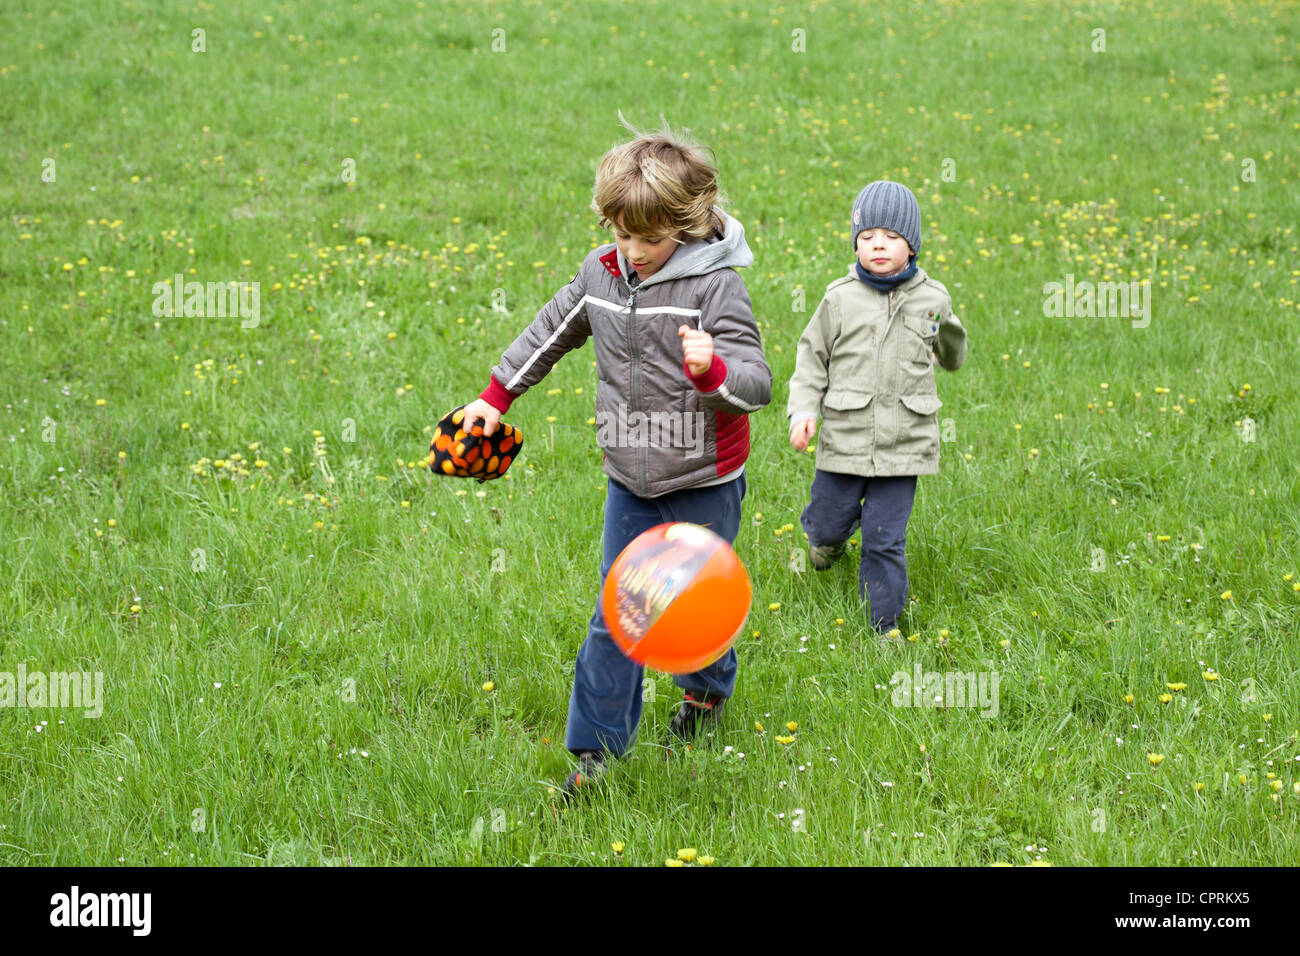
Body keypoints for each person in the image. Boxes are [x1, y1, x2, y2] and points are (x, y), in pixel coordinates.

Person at [458, 124, 772, 793]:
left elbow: (755, 382)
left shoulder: (715, 289)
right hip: (630, 477)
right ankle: (595, 760)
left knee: (693, 607)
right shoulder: (602, 273)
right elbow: (549, 332)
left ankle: (708, 690)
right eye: (622, 235)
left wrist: (712, 368)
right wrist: (495, 398)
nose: (632, 253)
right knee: (621, 611)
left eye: (649, 240)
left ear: (688, 225)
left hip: (704, 477)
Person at [787, 180, 967, 635]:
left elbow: (953, 358)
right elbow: (812, 358)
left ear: (913, 244)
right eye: (867, 237)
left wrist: (945, 332)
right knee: (828, 523)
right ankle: (827, 543)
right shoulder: (839, 298)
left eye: (891, 237)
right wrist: (803, 410)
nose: (878, 245)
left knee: (885, 539)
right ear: (856, 243)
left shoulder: (934, 299)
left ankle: (883, 625)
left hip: (904, 442)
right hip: (845, 437)